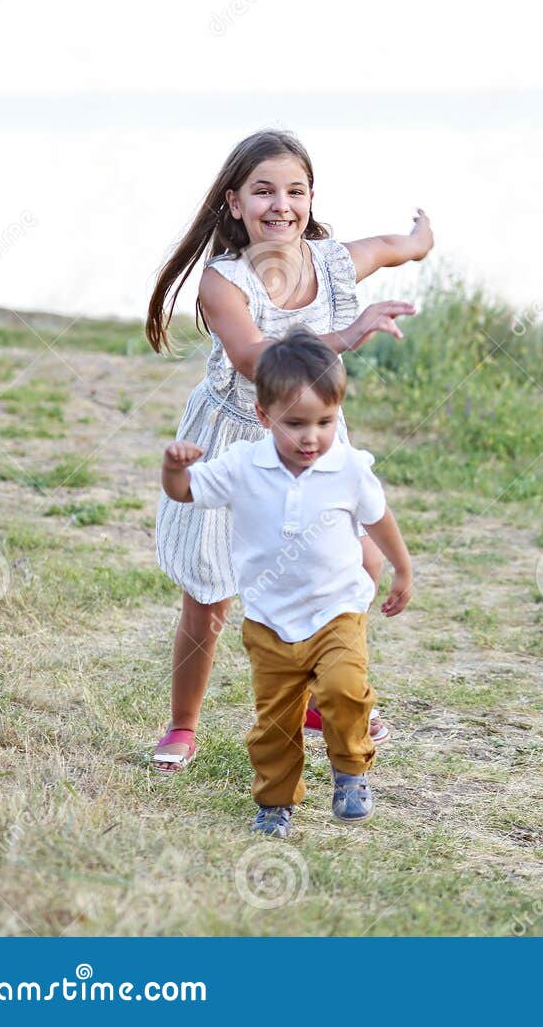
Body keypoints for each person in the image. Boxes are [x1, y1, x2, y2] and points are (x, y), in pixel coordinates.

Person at [145, 129, 431, 771]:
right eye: (264, 191)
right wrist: (345, 335)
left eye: (296, 191)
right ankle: (182, 725)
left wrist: (419, 238)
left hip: (313, 441)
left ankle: (312, 696)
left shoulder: (330, 263)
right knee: (209, 593)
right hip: (234, 438)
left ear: (311, 199)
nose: (281, 205)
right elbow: (254, 358)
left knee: (358, 566)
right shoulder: (223, 281)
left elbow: (391, 248)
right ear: (234, 202)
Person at [161, 328, 413, 836]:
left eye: (325, 422)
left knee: (345, 690)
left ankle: (351, 771)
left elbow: (379, 518)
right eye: (295, 423)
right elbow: (185, 492)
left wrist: (402, 569)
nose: (311, 437)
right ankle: (275, 804)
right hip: (270, 621)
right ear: (264, 416)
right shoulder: (242, 466)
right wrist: (172, 468)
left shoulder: (348, 468)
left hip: (336, 613)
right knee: (275, 724)